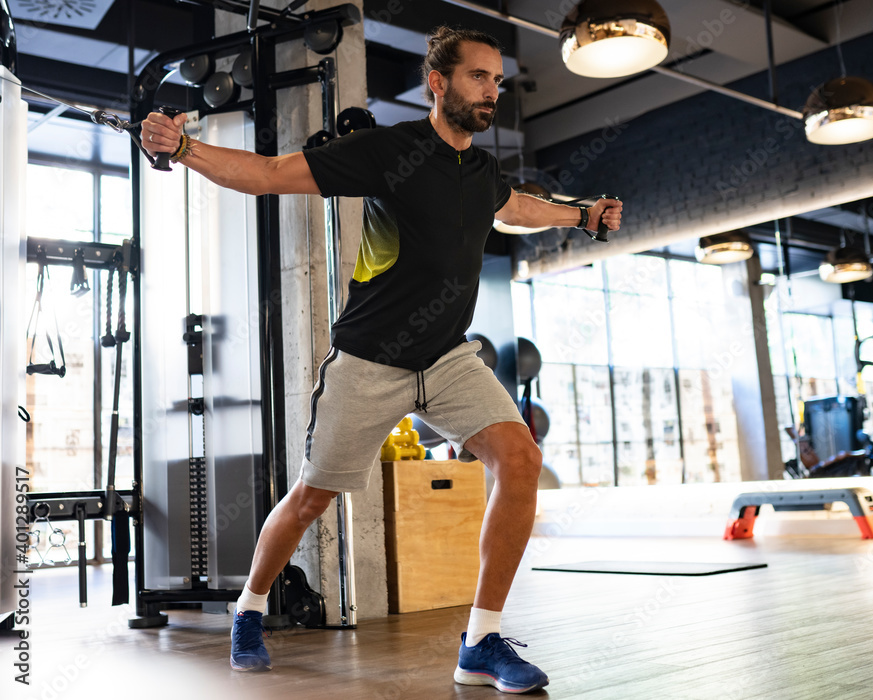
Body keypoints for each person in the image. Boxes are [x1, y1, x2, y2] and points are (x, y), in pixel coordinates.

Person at [142, 25, 623, 694]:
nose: (492, 92)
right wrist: (186, 146)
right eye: (479, 77)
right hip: (370, 360)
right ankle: (249, 610)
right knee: (313, 497)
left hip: (449, 357)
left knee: (520, 459)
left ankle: (480, 641)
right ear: (439, 82)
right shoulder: (386, 151)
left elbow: (515, 207)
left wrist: (581, 216)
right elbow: (269, 176)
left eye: (497, 81)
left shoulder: (482, 171)